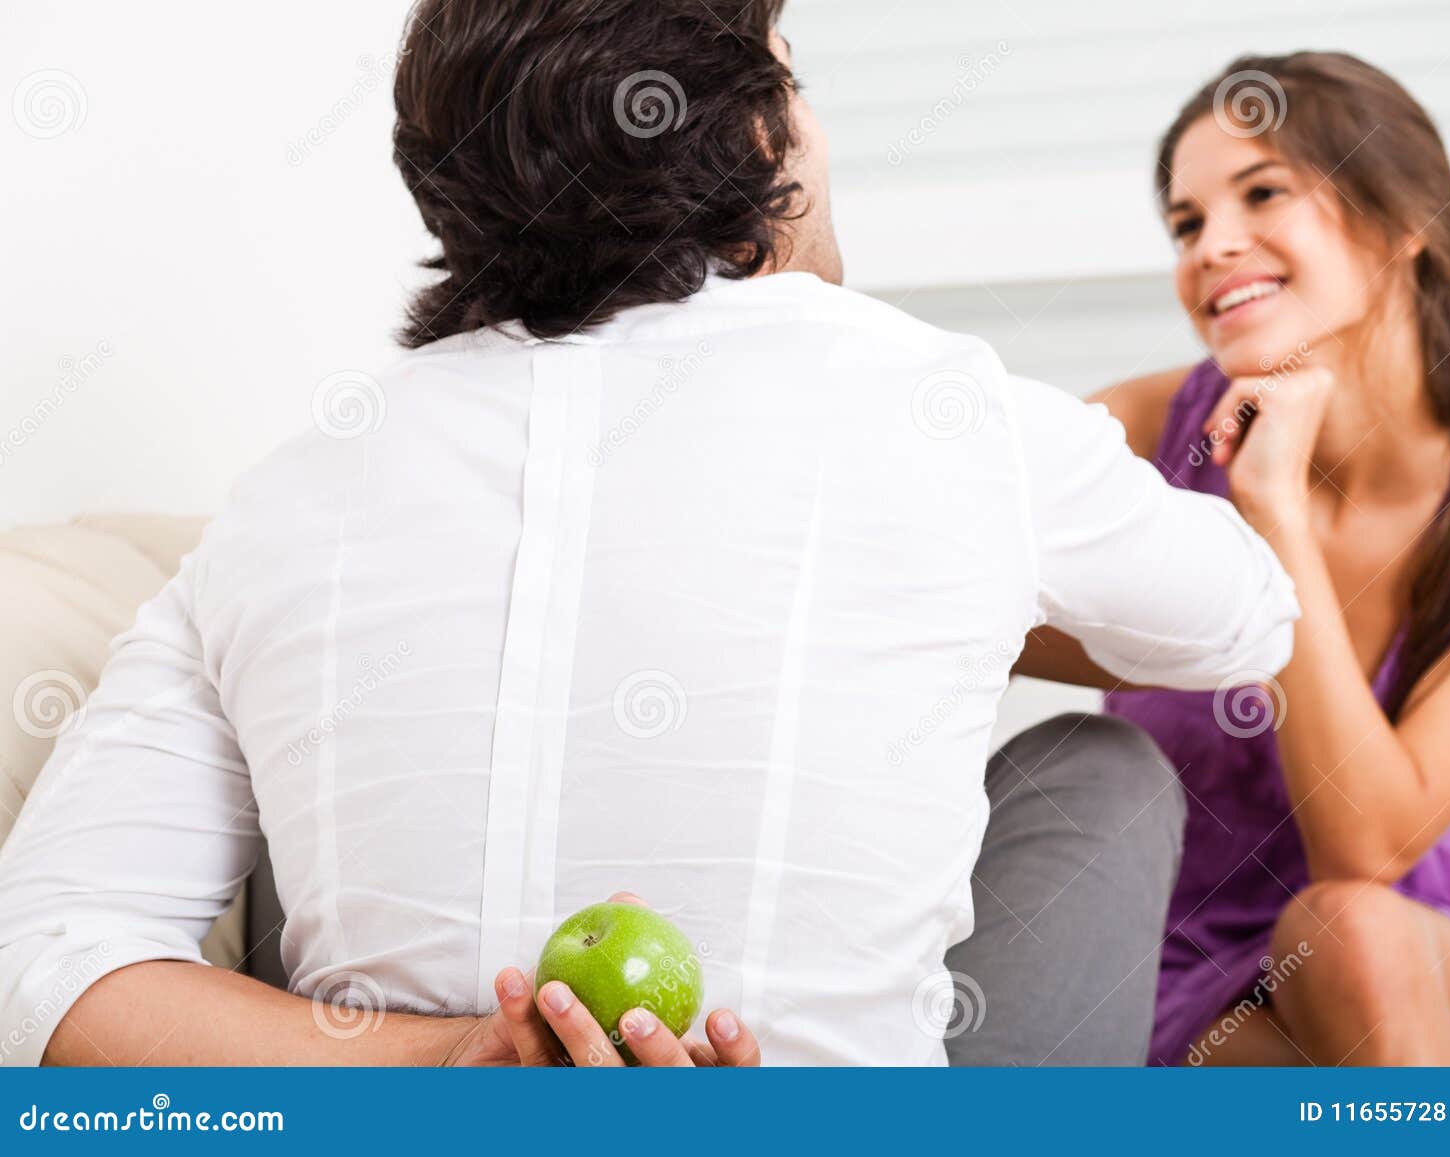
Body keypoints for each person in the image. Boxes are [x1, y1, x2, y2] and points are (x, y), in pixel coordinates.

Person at [0, 1, 1297, 1067]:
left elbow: (44, 963)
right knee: (1104, 771)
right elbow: (1246, 622)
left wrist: (465, 1062)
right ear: (755, 130)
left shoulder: (285, 495)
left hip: (409, 1110)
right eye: (800, 82)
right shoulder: (942, 402)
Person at [1044, 51, 1450, 1065]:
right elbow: (931, 569)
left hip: (1416, 933)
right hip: (1181, 962)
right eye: (1185, 223)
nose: (1212, 246)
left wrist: (1272, 508)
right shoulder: (1131, 431)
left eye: (1261, 193)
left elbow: (1367, 846)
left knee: (1347, 931)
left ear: (1403, 219)